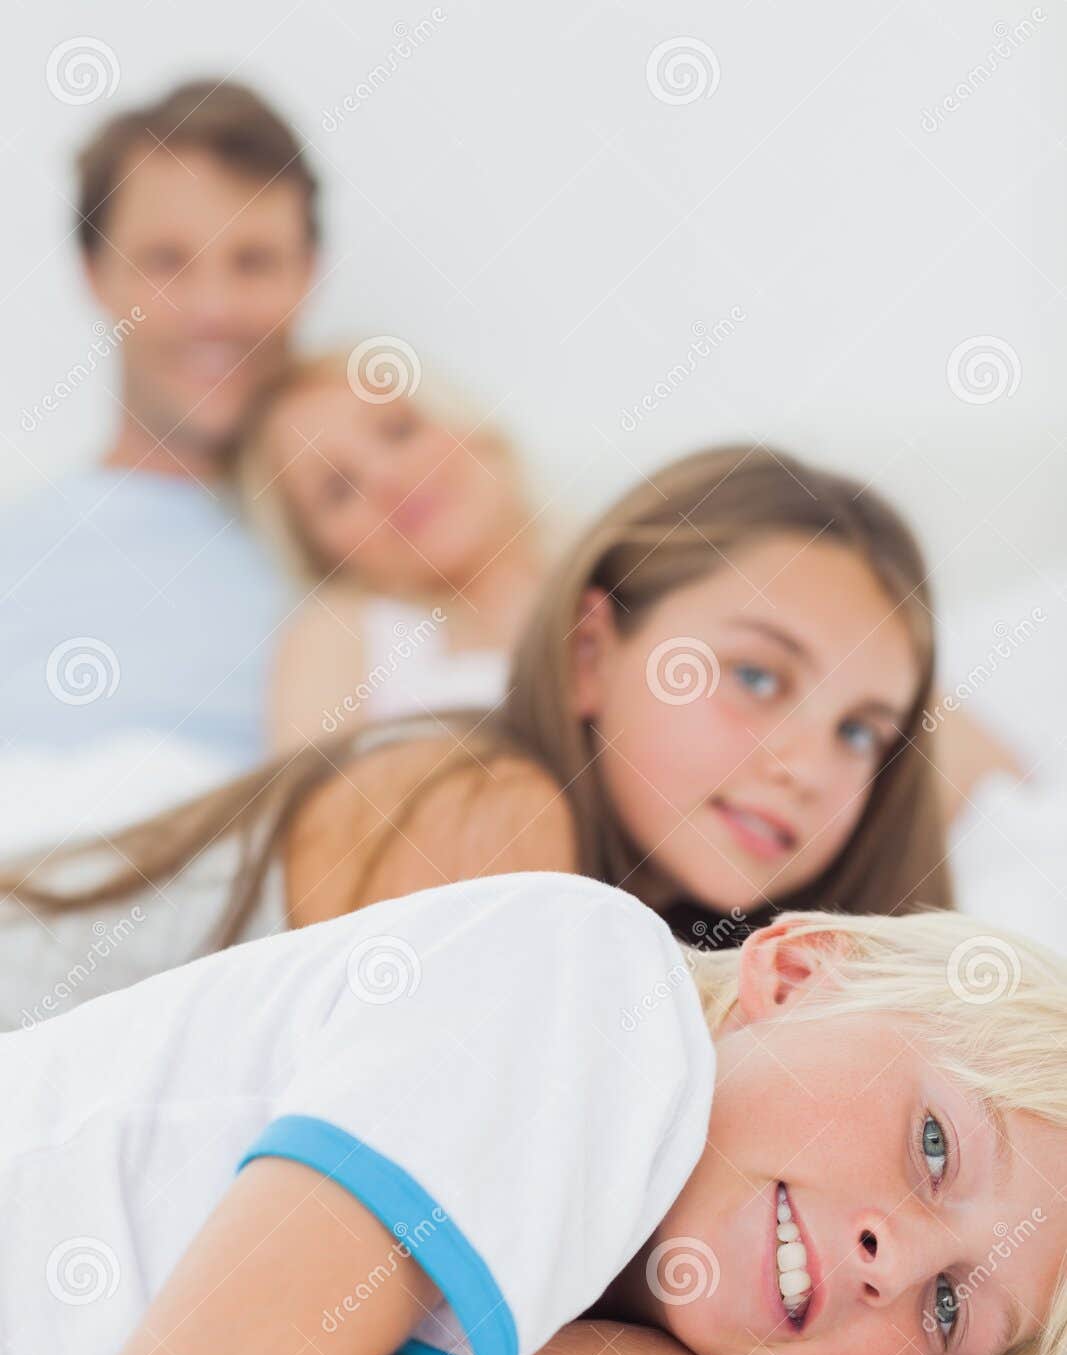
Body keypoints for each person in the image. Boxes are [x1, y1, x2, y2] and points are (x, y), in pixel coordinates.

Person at [5, 872, 1054, 1355]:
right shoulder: (587, 990)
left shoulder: (612, 1330)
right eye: (933, 1144)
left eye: (947, 1308)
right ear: (798, 974)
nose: (896, 1262)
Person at [0, 445, 952, 1034]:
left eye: (859, 731)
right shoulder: (484, 807)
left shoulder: (687, 952)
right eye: (756, 677)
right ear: (588, 654)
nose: (805, 767)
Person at [0, 81, 317, 765]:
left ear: (308, 275)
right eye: (167, 262)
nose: (213, 308)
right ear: (95, 274)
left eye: (254, 262)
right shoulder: (15, 554)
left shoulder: (386, 536)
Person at [237, 352, 548, 748]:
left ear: (474, 432)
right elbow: (311, 785)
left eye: (398, 431)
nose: (388, 479)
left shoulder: (614, 561)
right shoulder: (341, 634)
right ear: (324, 556)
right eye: (339, 488)